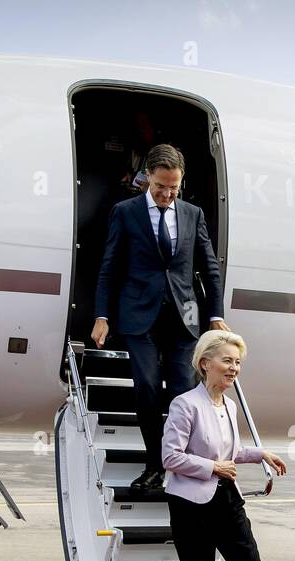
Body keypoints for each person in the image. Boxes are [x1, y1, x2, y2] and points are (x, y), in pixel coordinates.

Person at [92, 143, 229, 492]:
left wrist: (215, 314)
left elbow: (209, 268)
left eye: (173, 188)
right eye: (160, 187)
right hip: (138, 315)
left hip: (184, 316)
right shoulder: (126, 212)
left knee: (184, 391)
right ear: (147, 177)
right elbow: (109, 267)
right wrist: (102, 315)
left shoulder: (192, 214)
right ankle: (155, 463)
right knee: (149, 389)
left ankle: (184, 462)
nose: (167, 194)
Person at [162, 330, 287, 561]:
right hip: (190, 509)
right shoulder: (185, 404)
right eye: (228, 361)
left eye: (238, 363)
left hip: (226, 503)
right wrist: (212, 468)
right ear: (205, 363)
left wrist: (261, 453)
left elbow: (230, 451)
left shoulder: (229, 406)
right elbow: (170, 457)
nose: (234, 369)